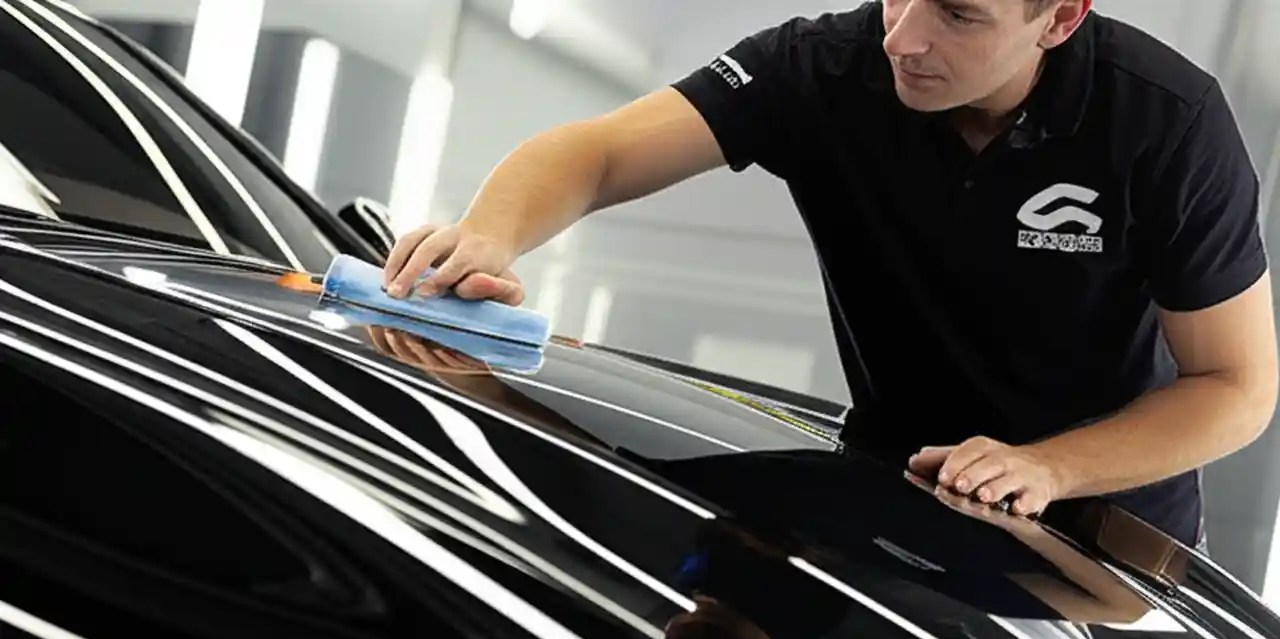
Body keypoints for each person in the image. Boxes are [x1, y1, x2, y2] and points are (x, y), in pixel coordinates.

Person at [382, 0, 1279, 548]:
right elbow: (603, 151)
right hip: (892, 491)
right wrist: (492, 235)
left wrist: (1043, 469)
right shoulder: (823, 64)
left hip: (1104, 537)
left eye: (958, 13)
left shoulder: (1167, 121)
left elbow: (1234, 386)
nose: (904, 37)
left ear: (1061, 17)